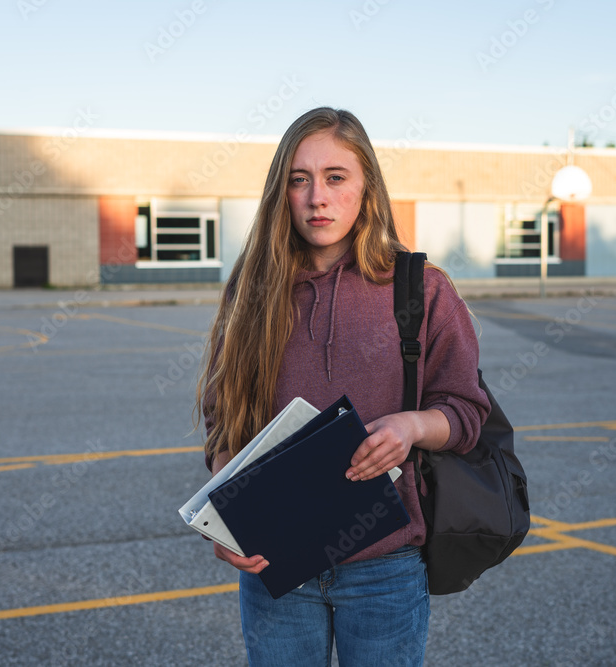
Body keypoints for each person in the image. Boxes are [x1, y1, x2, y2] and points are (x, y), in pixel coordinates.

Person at [196, 107, 490, 666]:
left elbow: (466, 409)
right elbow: (225, 421)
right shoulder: (253, 290)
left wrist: (412, 427)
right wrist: (229, 511)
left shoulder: (419, 289)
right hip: (275, 564)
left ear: (366, 188)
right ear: (280, 192)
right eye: (298, 179)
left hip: (387, 569)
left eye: (336, 177)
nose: (316, 198)